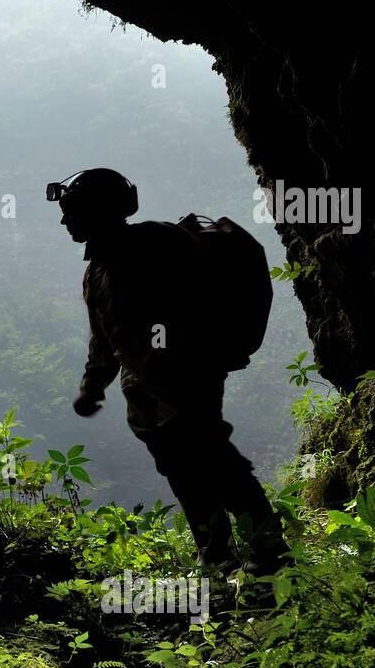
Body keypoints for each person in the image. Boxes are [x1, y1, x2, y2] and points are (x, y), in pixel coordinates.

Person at [58, 168, 287, 577]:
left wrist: (183, 355)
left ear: (99, 210)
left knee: (211, 455)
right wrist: (94, 384)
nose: (64, 221)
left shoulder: (156, 241)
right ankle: (216, 555)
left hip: (188, 372)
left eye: (71, 212)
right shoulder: (96, 270)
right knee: (180, 466)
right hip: (142, 383)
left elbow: (201, 298)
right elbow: (103, 335)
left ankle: (269, 548)